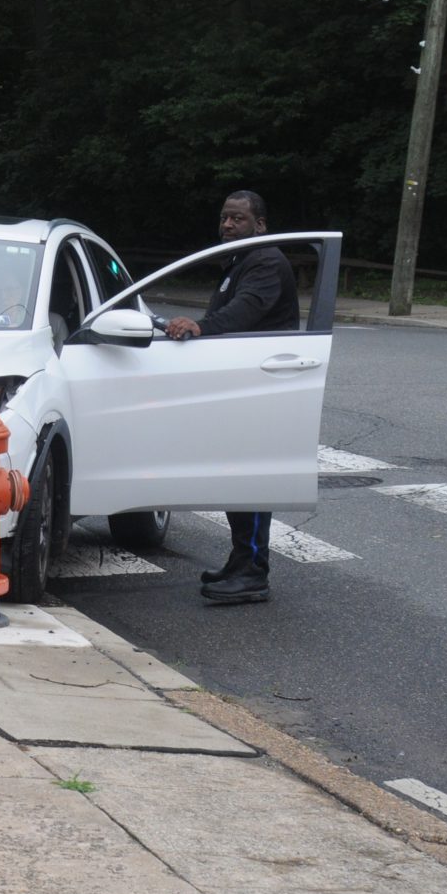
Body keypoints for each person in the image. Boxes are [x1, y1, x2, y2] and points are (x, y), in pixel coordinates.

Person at [163, 190, 298, 605]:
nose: (227, 225)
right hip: (245, 383)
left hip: (263, 385)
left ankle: (254, 570)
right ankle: (242, 560)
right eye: (224, 218)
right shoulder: (240, 262)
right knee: (237, 475)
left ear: (259, 224)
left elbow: (247, 311)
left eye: (237, 219)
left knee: (252, 478)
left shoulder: (266, 262)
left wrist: (202, 328)